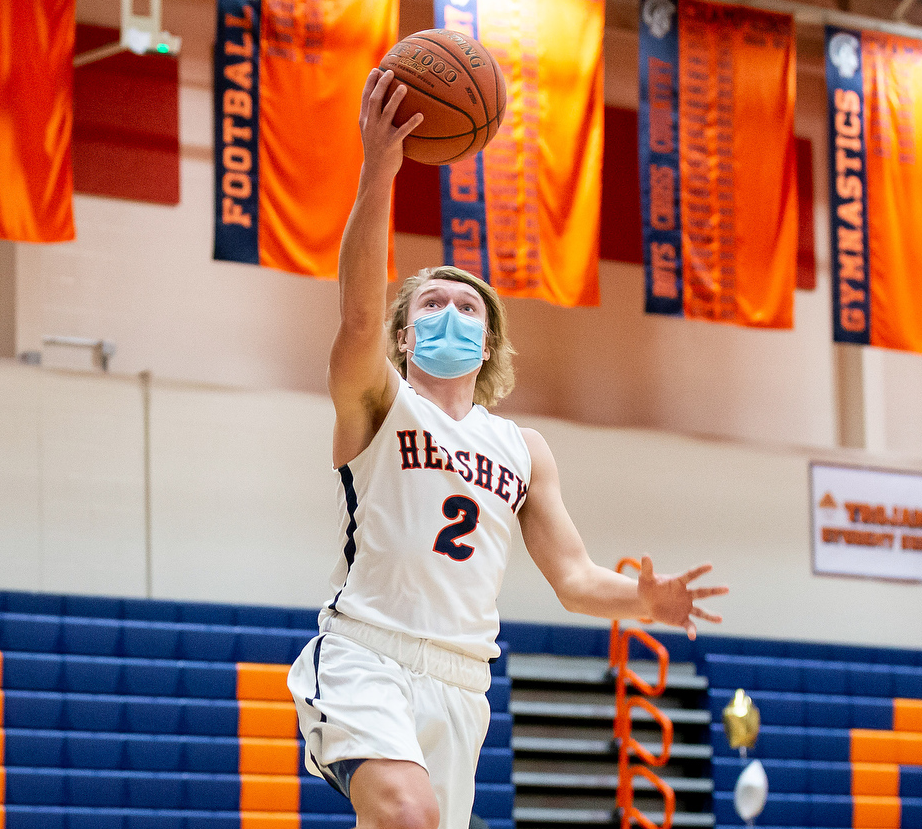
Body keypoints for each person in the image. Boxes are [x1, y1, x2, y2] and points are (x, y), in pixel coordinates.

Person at [287, 68, 729, 829]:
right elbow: (356, 318)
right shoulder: (379, 403)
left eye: (467, 306)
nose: (450, 313)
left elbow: (575, 579)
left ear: (488, 340)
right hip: (367, 652)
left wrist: (645, 602)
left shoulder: (524, 448)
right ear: (403, 333)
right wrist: (379, 169)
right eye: (431, 303)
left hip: (461, 683)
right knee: (406, 810)